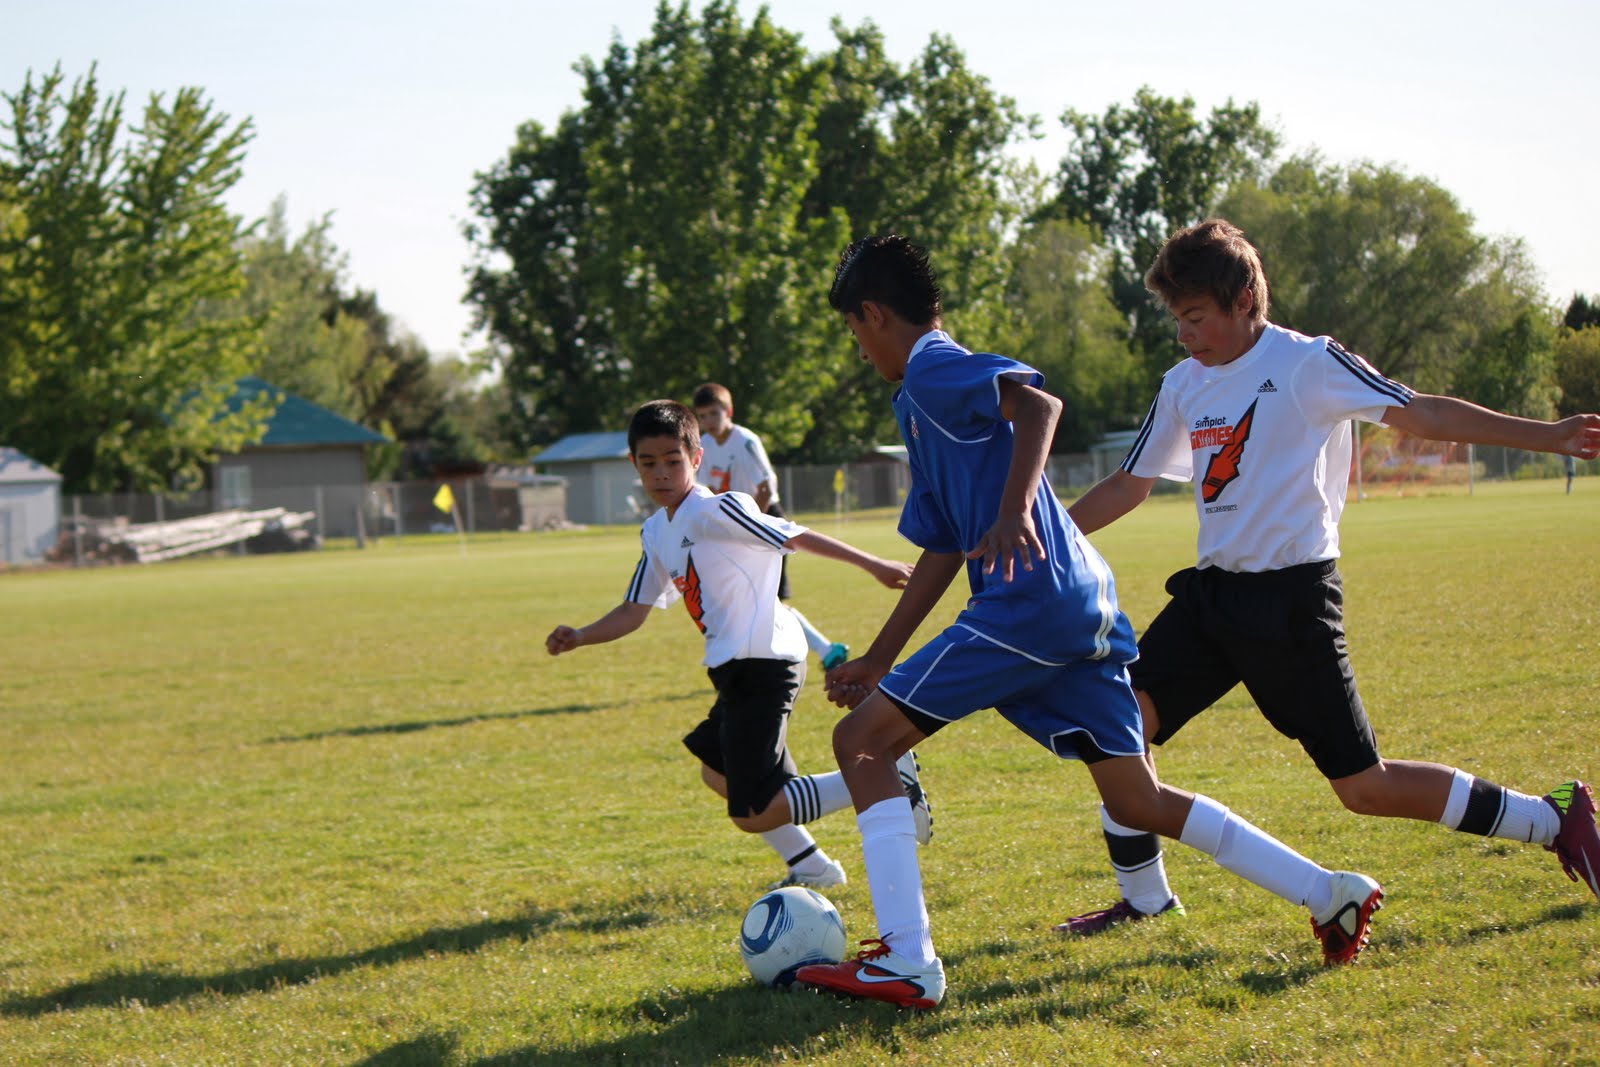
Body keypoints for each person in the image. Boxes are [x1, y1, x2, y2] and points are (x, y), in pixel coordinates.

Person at [794, 235, 1383, 1011]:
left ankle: (908, 959)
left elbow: (1039, 404)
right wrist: (879, 654)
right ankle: (1328, 889)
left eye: (854, 331)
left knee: (860, 742)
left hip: (1030, 601)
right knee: (1136, 798)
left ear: (873, 315)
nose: (860, 349)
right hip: (1077, 602)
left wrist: (1012, 512)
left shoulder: (934, 364)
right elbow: (942, 543)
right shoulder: (918, 400)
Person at [1054, 218, 1600, 938]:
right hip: (1212, 599)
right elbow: (1129, 485)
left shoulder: (1310, 363)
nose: (1184, 336)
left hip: (1292, 606)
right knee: (1118, 727)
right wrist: (1038, 538)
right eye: (1176, 321)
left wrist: (1549, 434)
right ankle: (1146, 899)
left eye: (1195, 318)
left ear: (1245, 296)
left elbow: (1425, 413)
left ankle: (1552, 816)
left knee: (1364, 788)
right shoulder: (1182, 384)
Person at [545, 399, 929, 891]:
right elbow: (632, 610)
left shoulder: (718, 509)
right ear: (633, 465)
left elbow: (793, 535)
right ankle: (814, 867)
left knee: (754, 812)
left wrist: (874, 565)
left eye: (672, 461)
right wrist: (579, 636)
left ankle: (890, 783)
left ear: (696, 458)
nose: (661, 473)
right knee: (717, 770)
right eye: (649, 463)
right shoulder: (656, 530)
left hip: (764, 664)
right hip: (734, 670)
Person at [691, 382, 850, 671]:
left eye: (714, 414)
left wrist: (751, 529)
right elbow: (709, 490)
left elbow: (766, 486)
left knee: (765, 601)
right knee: (756, 601)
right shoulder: (706, 445)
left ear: (729, 411)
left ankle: (818, 652)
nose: (708, 422)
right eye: (702, 416)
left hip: (761, 521)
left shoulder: (745, 441)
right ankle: (823, 650)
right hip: (735, 527)